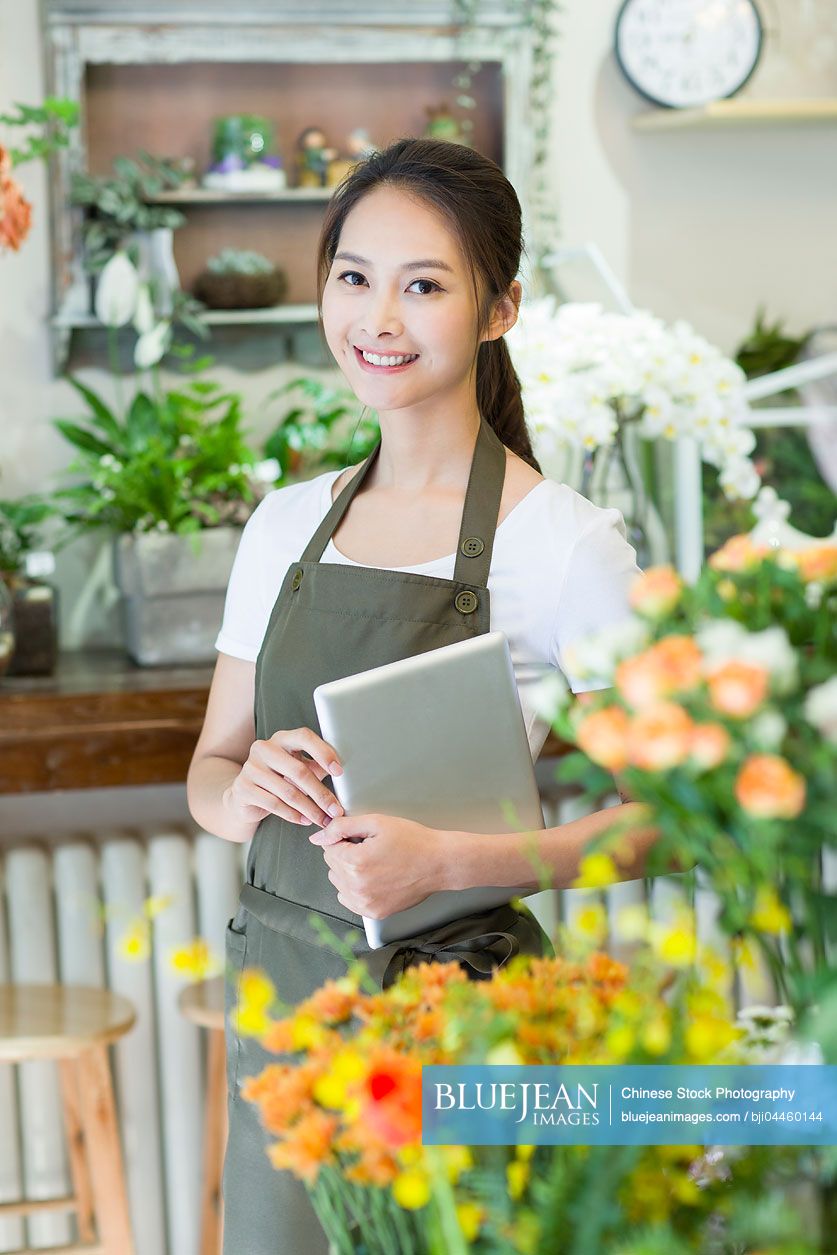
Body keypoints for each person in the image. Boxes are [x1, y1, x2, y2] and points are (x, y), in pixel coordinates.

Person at [186, 136, 654, 1254]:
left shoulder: (567, 546)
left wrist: (449, 865)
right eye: (354, 276)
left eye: (424, 285)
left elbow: (675, 819)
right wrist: (243, 786)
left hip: (465, 1019)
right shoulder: (285, 524)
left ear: (500, 310)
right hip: (288, 1011)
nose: (378, 319)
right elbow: (206, 776)